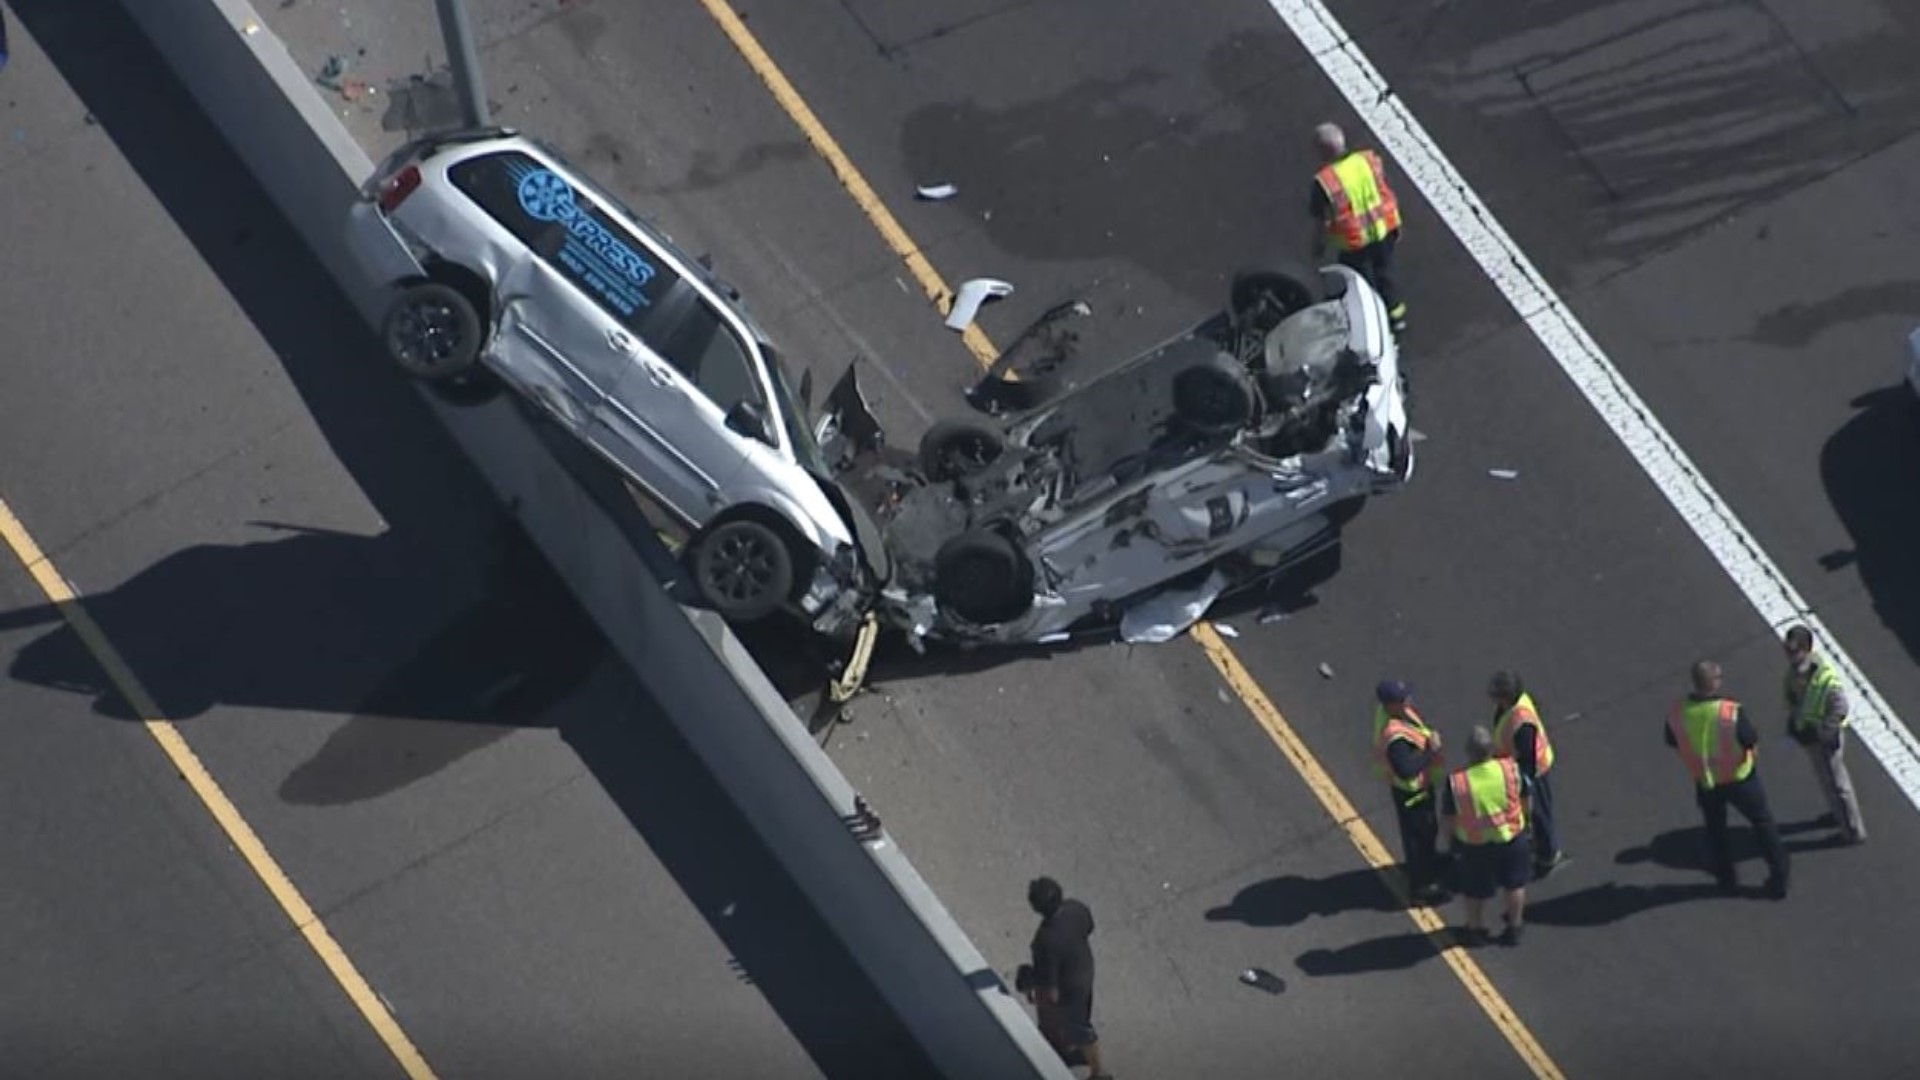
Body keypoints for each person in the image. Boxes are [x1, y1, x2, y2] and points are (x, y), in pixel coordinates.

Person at [1664, 660, 1789, 899]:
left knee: (1716, 831)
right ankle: (1779, 877)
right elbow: (1749, 737)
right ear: (1714, 682)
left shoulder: (1678, 713)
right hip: (1740, 777)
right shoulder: (1728, 712)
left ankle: (1726, 878)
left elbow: (1672, 740)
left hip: (1706, 781)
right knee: (1763, 824)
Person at [1309, 122, 1407, 334]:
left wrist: (1319, 246)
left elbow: (1322, 221)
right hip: (1383, 229)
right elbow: (1383, 190)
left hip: (1354, 241)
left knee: (1361, 287)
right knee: (1385, 274)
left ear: (1323, 150)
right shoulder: (1368, 160)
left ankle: (1373, 328)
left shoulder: (1325, 181)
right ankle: (1397, 318)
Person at [1442, 726, 1533, 946]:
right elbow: (1526, 799)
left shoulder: (1458, 782)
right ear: (1491, 748)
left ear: (1469, 753)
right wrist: (1526, 823)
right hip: (1512, 838)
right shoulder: (1510, 769)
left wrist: (1451, 842)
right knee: (1515, 885)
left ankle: (1475, 929)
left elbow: (1449, 818)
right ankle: (1515, 926)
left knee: (1474, 891)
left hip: (1475, 845)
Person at [1782, 625, 1866, 844]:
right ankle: (1837, 814)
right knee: (1827, 780)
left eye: (1793, 650)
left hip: (1824, 739)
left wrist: (1822, 734)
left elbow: (1840, 708)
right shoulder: (1796, 671)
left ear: (1806, 649)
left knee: (1838, 785)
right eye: (1787, 649)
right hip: (1810, 735)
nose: (1788, 655)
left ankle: (1852, 831)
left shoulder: (1825, 679)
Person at [1026, 877, 1110, 1079]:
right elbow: (1089, 927)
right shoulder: (1075, 908)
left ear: (1037, 908)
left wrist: (1035, 995)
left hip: (1069, 989)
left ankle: (1099, 1073)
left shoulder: (1044, 941)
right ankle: (1072, 1048)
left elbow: (1051, 990)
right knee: (1081, 1017)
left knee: (1080, 1028)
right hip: (1086, 970)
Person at [1371, 680, 1447, 905]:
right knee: (1421, 840)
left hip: (1410, 793)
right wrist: (1430, 751)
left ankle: (1421, 873)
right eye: (1403, 699)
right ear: (1391, 704)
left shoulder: (1390, 714)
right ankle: (1422, 888)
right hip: (1413, 794)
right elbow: (1406, 770)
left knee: (1419, 839)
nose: (1409, 701)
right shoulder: (1395, 738)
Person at [1488, 671, 1567, 878]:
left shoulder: (1521, 723)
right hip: (1515, 765)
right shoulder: (1513, 707)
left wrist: (1524, 784)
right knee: (1534, 812)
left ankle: (1548, 855)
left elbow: (1528, 760)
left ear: (1506, 697)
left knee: (1540, 813)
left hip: (1534, 771)